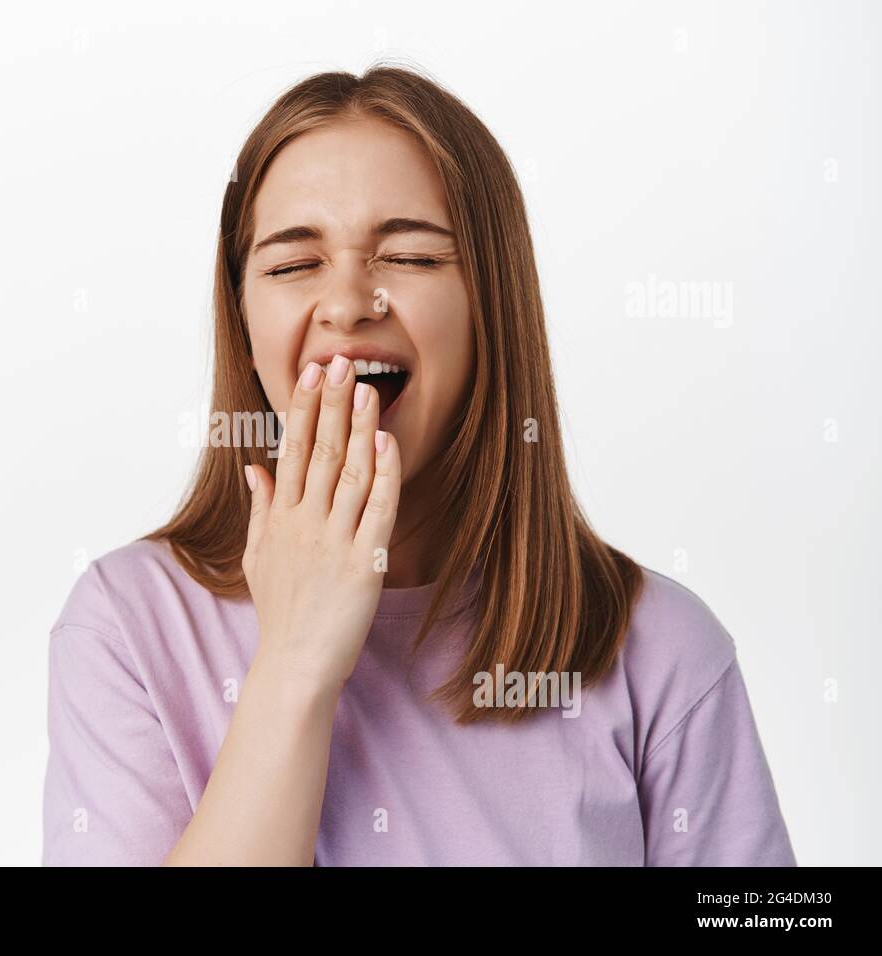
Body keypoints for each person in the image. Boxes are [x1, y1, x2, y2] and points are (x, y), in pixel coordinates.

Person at [41, 64, 796, 866]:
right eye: (294, 265)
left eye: (410, 257)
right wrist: (295, 660)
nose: (347, 302)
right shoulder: (125, 624)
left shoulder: (664, 650)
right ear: (244, 317)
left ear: (491, 305)